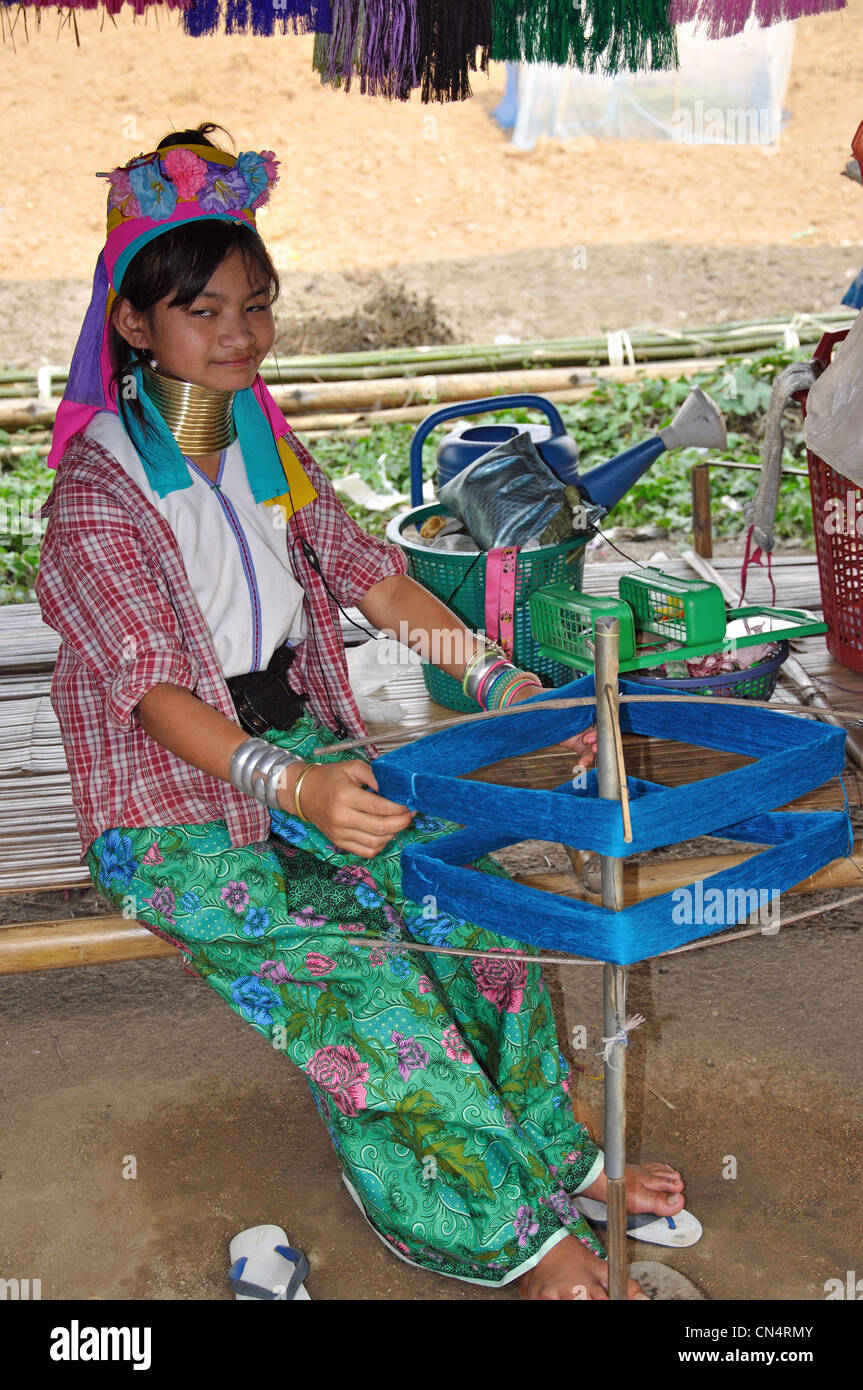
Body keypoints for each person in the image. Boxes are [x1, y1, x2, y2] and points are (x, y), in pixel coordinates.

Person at [36, 124, 684, 1300]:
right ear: (131, 324)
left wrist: (499, 684)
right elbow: (156, 692)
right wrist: (292, 788)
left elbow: (366, 572)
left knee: (474, 918)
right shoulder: (100, 495)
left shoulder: (259, 446)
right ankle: (507, 1238)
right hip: (171, 808)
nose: (239, 334)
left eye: (256, 305)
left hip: (299, 756)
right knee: (366, 986)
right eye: (204, 311)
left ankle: (554, 1162)